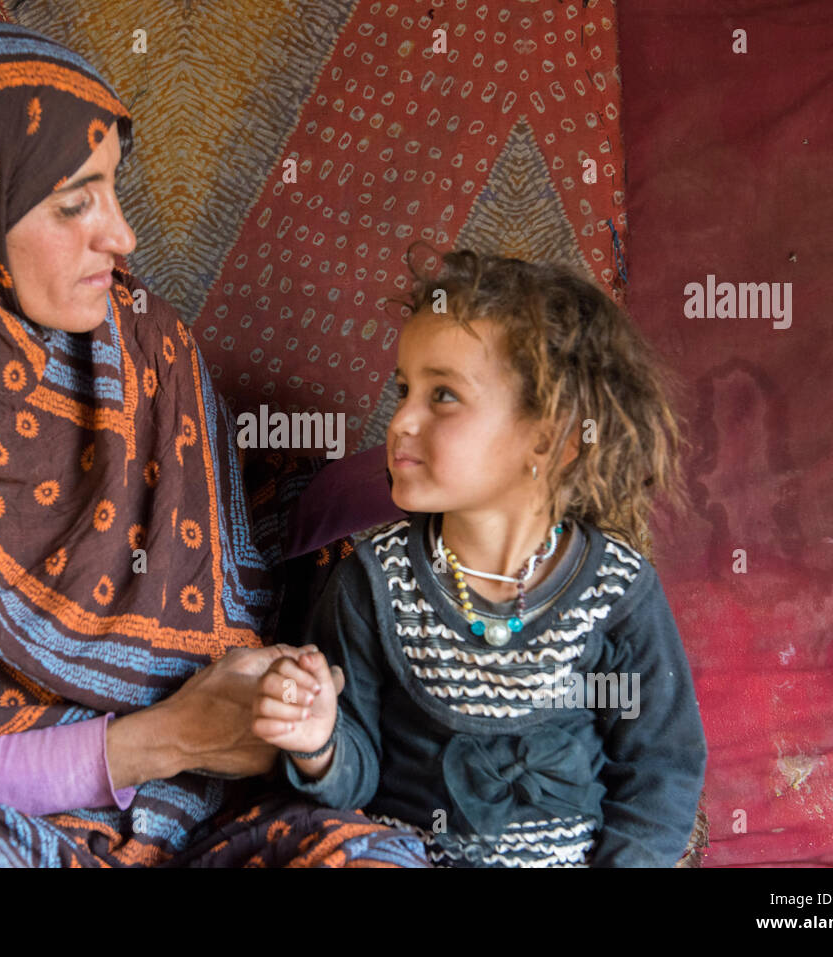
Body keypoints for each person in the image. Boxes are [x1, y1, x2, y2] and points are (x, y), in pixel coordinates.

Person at [0, 8, 428, 868]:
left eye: (115, 190)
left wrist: (283, 699)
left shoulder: (148, 346)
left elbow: (234, 594)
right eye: (76, 202)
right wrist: (164, 738)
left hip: (200, 812)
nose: (122, 237)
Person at [252, 250, 709, 866]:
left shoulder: (617, 593)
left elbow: (659, 771)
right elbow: (353, 778)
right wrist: (319, 743)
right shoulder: (372, 580)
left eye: (443, 395)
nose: (400, 420)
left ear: (549, 439)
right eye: (404, 390)